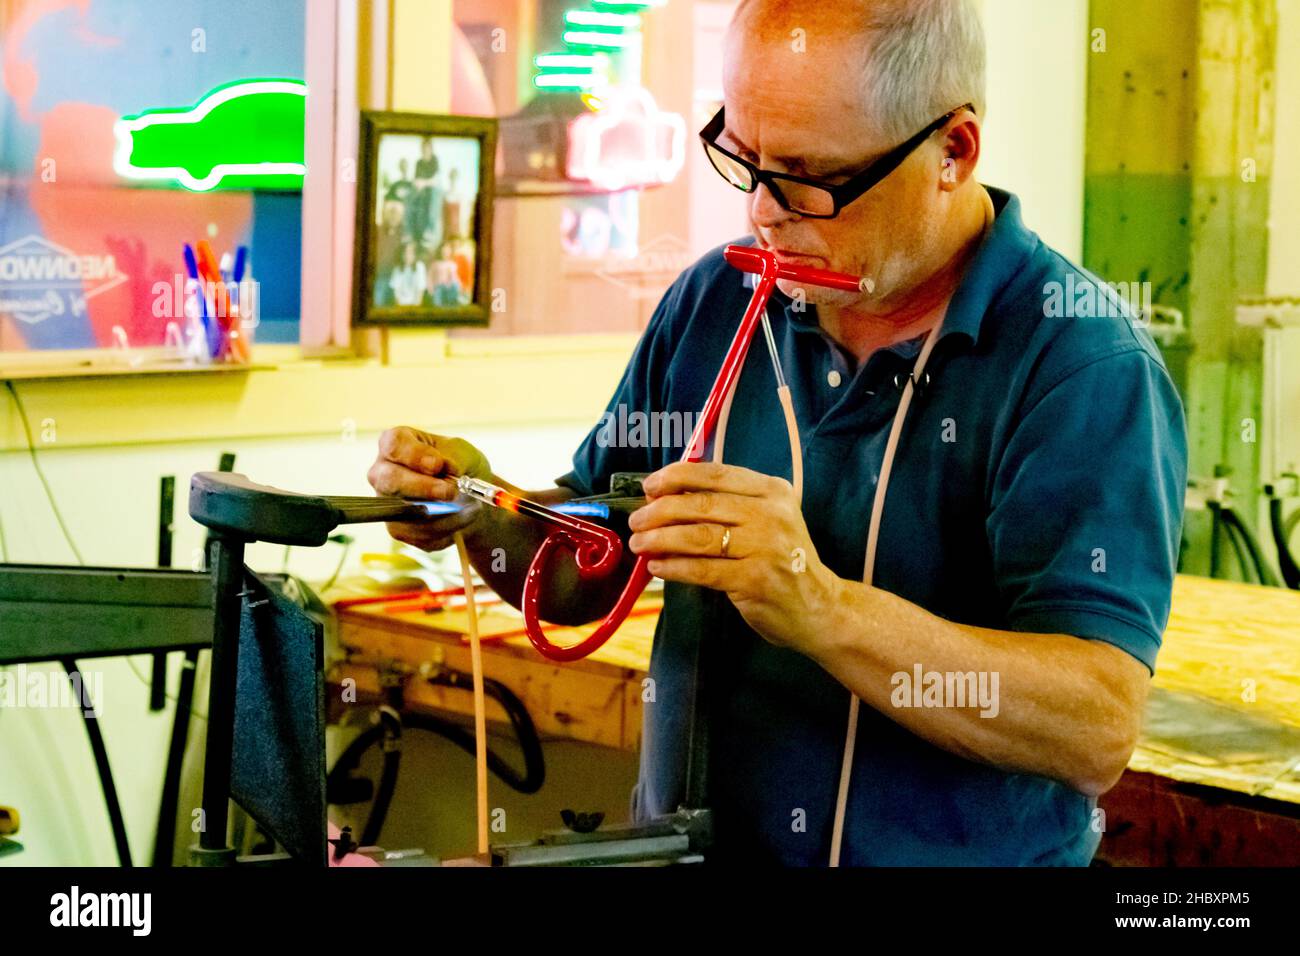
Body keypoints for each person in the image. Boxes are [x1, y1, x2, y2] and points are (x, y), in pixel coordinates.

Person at [366, 0, 1187, 866]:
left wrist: (819, 607)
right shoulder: (713, 305)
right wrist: (479, 511)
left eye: (807, 177)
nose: (762, 211)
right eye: (744, 159)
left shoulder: (1081, 366)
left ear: (954, 151)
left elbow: (1095, 726)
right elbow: (586, 570)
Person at [410, 138, 439, 243]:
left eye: (427, 148)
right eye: (423, 148)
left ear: (431, 149)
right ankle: (414, 230)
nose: (425, 151)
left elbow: (435, 180)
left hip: (431, 190)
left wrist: (424, 183)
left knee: (432, 194)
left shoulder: (434, 160)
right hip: (422, 190)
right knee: (413, 197)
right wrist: (421, 184)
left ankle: (429, 230)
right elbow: (416, 180)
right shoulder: (419, 163)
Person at [387, 241, 426, 307]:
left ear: (415, 254)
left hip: (415, 304)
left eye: (410, 253)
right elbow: (396, 292)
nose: (407, 255)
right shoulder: (397, 269)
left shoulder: (420, 267)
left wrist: (416, 306)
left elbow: (420, 289)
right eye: (405, 253)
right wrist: (400, 307)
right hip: (401, 305)